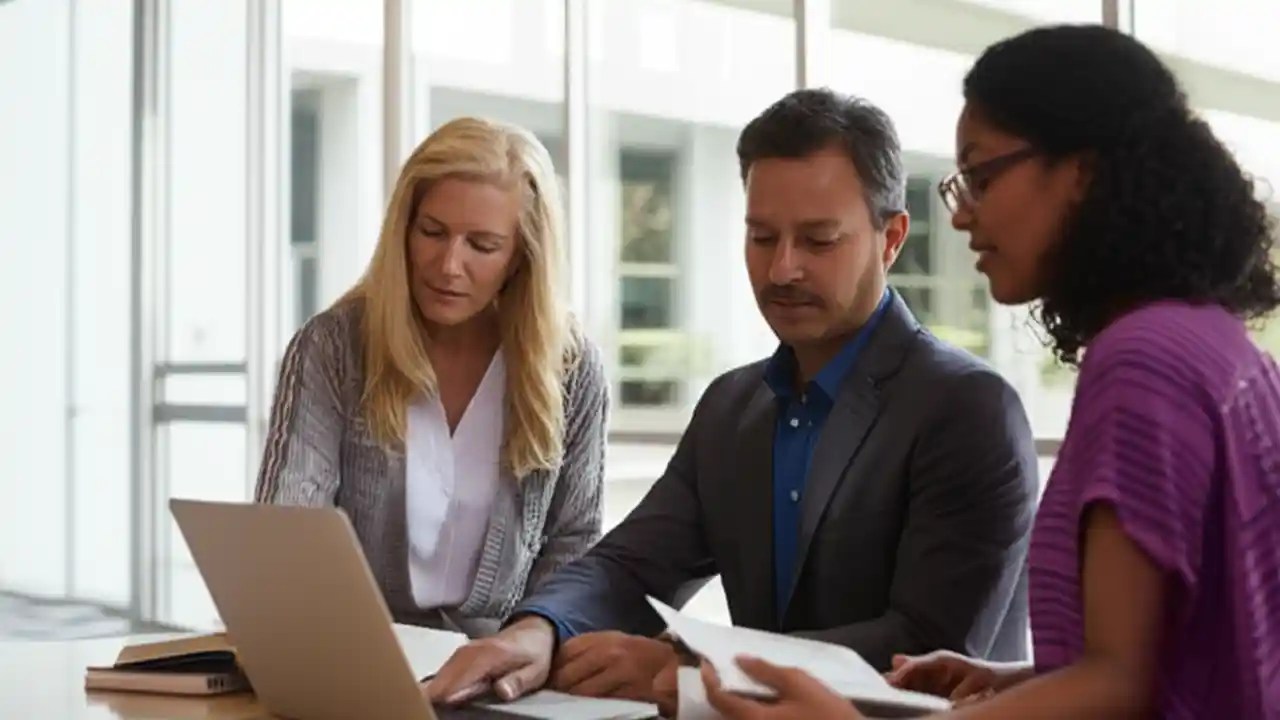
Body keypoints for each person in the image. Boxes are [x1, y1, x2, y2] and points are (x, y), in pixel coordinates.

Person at [697, 24, 1280, 720]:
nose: (964, 215)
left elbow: (1121, 688)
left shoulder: (1143, 359)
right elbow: (1177, 650)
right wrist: (1018, 678)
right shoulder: (1209, 341)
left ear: (1081, 171)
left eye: (980, 175)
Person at [426, 89, 1039, 711]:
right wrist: (538, 630)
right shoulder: (732, 407)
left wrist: (689, 669)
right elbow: (629, 564)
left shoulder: (967, 409)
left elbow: (924, 647)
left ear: (892, 238)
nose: (781, 270)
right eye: (762, 237)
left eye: (818, 241)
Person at [254, 117, 608, 638]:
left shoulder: (571, 369)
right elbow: (288, 532)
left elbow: (574, 544)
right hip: (354, 650)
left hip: (509, 669)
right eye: (433, 232)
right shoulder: (332, 348)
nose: (448, 266)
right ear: (404, 227)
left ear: (520, 258)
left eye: (482, 246)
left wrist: (528, 647)